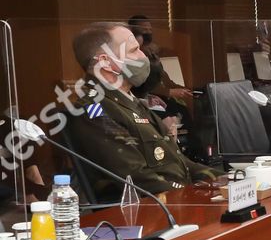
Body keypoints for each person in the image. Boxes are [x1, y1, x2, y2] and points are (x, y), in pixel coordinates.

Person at [63, 22, 221, 198]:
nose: (143, 56)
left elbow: (181, 163)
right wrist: (189, 196)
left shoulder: (129, 101)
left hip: (177, 199)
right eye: (133, 51)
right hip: (150, 212)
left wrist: (227, 180)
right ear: (105, 63)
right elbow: (136, 178)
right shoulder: (95, 110)